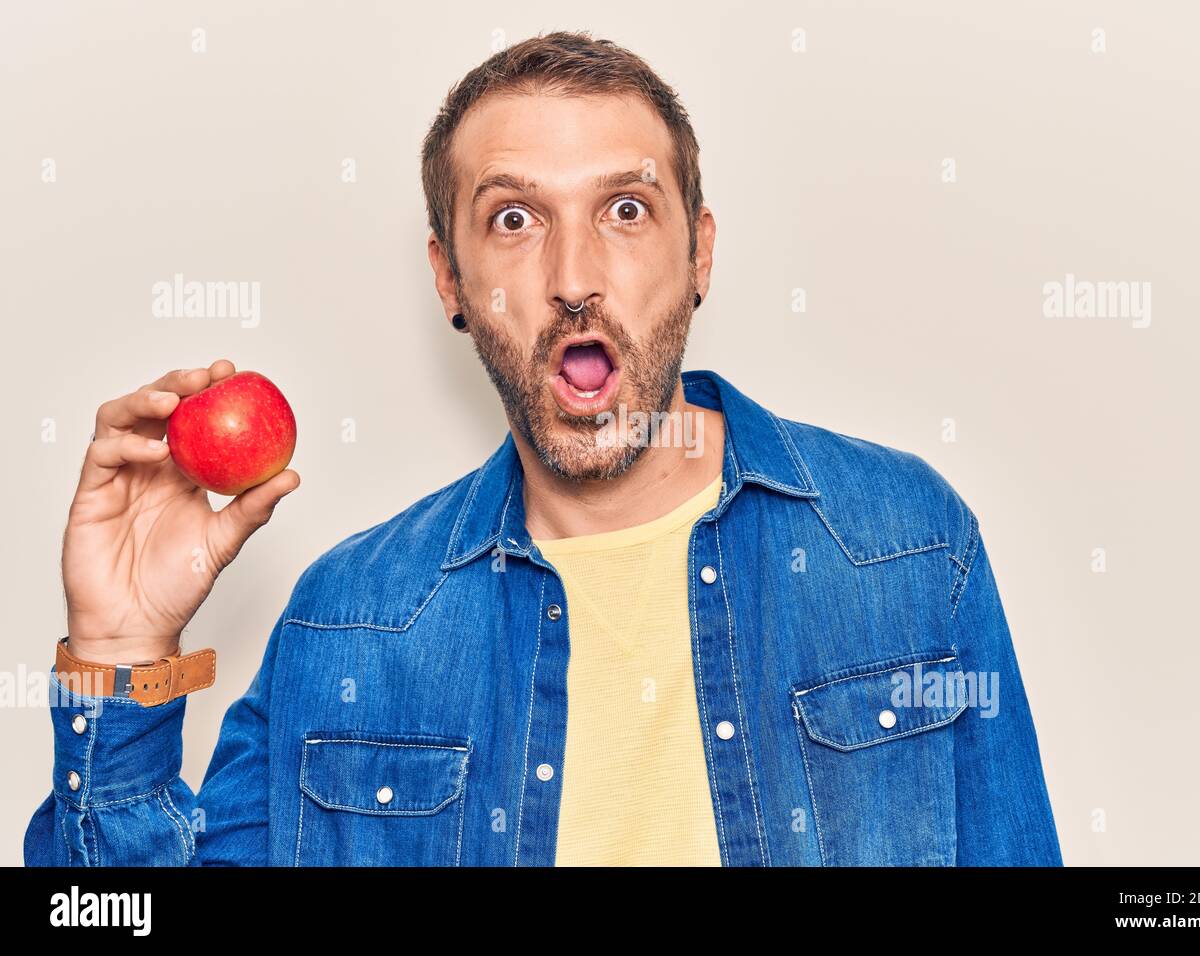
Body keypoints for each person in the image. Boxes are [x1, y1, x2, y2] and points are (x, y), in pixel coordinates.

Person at [25, 30, 1061, 867]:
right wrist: (121, 653)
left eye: (624, 209)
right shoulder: (350, 624)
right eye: (514, 217)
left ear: (698, 249)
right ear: (449, 279)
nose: (573, 273)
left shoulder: (906, 547)